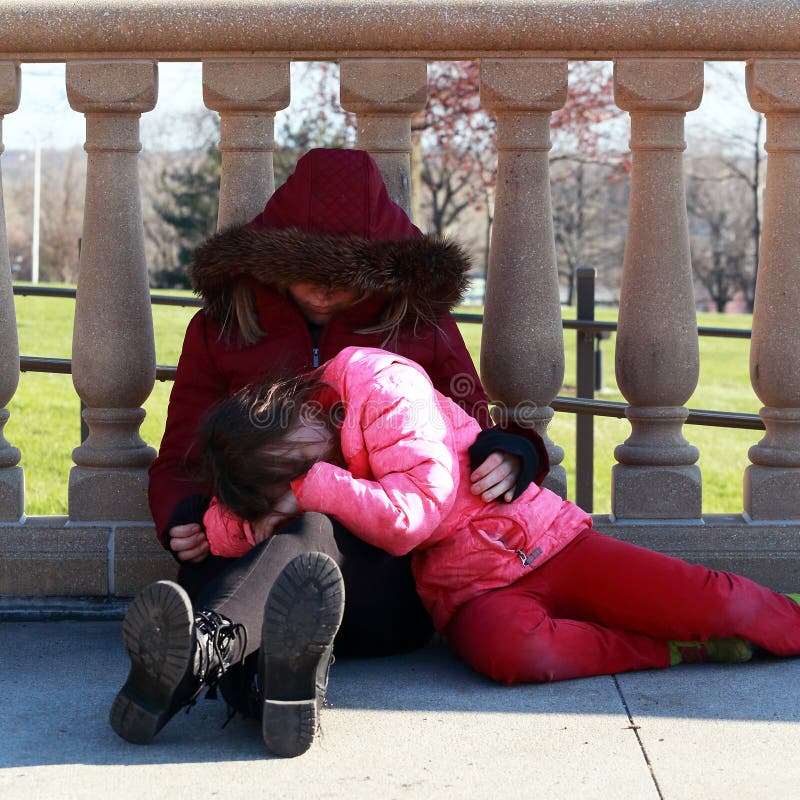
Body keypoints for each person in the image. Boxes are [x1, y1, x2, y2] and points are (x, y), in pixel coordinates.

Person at [111, 148, 547, 757]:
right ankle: (281, 690)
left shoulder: (419, 328)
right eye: (305, 267)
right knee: (288, 535)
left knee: (313, 517)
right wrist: (182, 513)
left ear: (382, 269)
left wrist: (512, 450)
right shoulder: (221, 330)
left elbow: (472, 432)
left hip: (379, 585)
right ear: (270, 259)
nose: (324, 288)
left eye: (347, 275)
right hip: (238, 551)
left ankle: (194, 660)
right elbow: (181, 457)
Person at [200, 345, 800, 693]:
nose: (309, 468)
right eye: (290, 473)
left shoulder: (378, 383)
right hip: (467, 590)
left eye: (301, 456)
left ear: (287, 407)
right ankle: (679, 652)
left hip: (547, 541)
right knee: (517, 659)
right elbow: (236, 518)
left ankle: (783, 620)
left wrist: (309, 486)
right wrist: (232, 517)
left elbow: (415, 514)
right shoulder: (294, 463)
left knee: (718, 604)